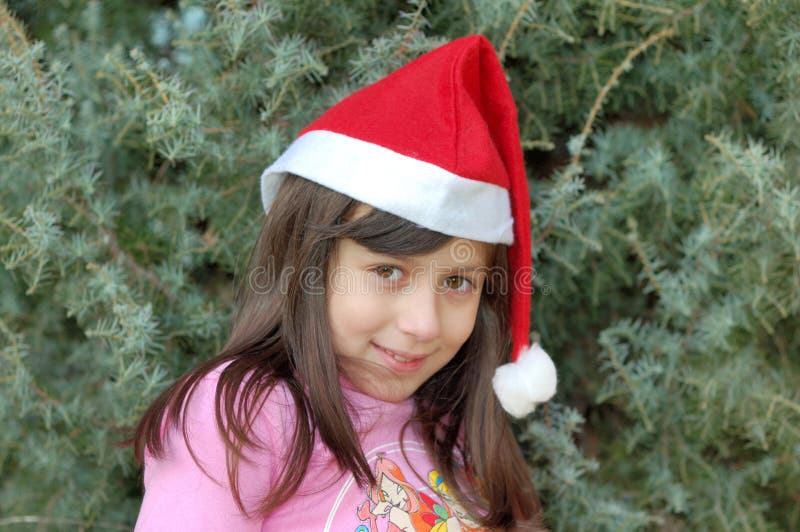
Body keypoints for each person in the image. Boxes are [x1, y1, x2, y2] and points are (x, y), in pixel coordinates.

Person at [133, 34, 558, 531]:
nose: (423, 324)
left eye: (459, 282)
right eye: (387, 271)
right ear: (307, 263)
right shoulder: (246, 417)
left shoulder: (455, 425)